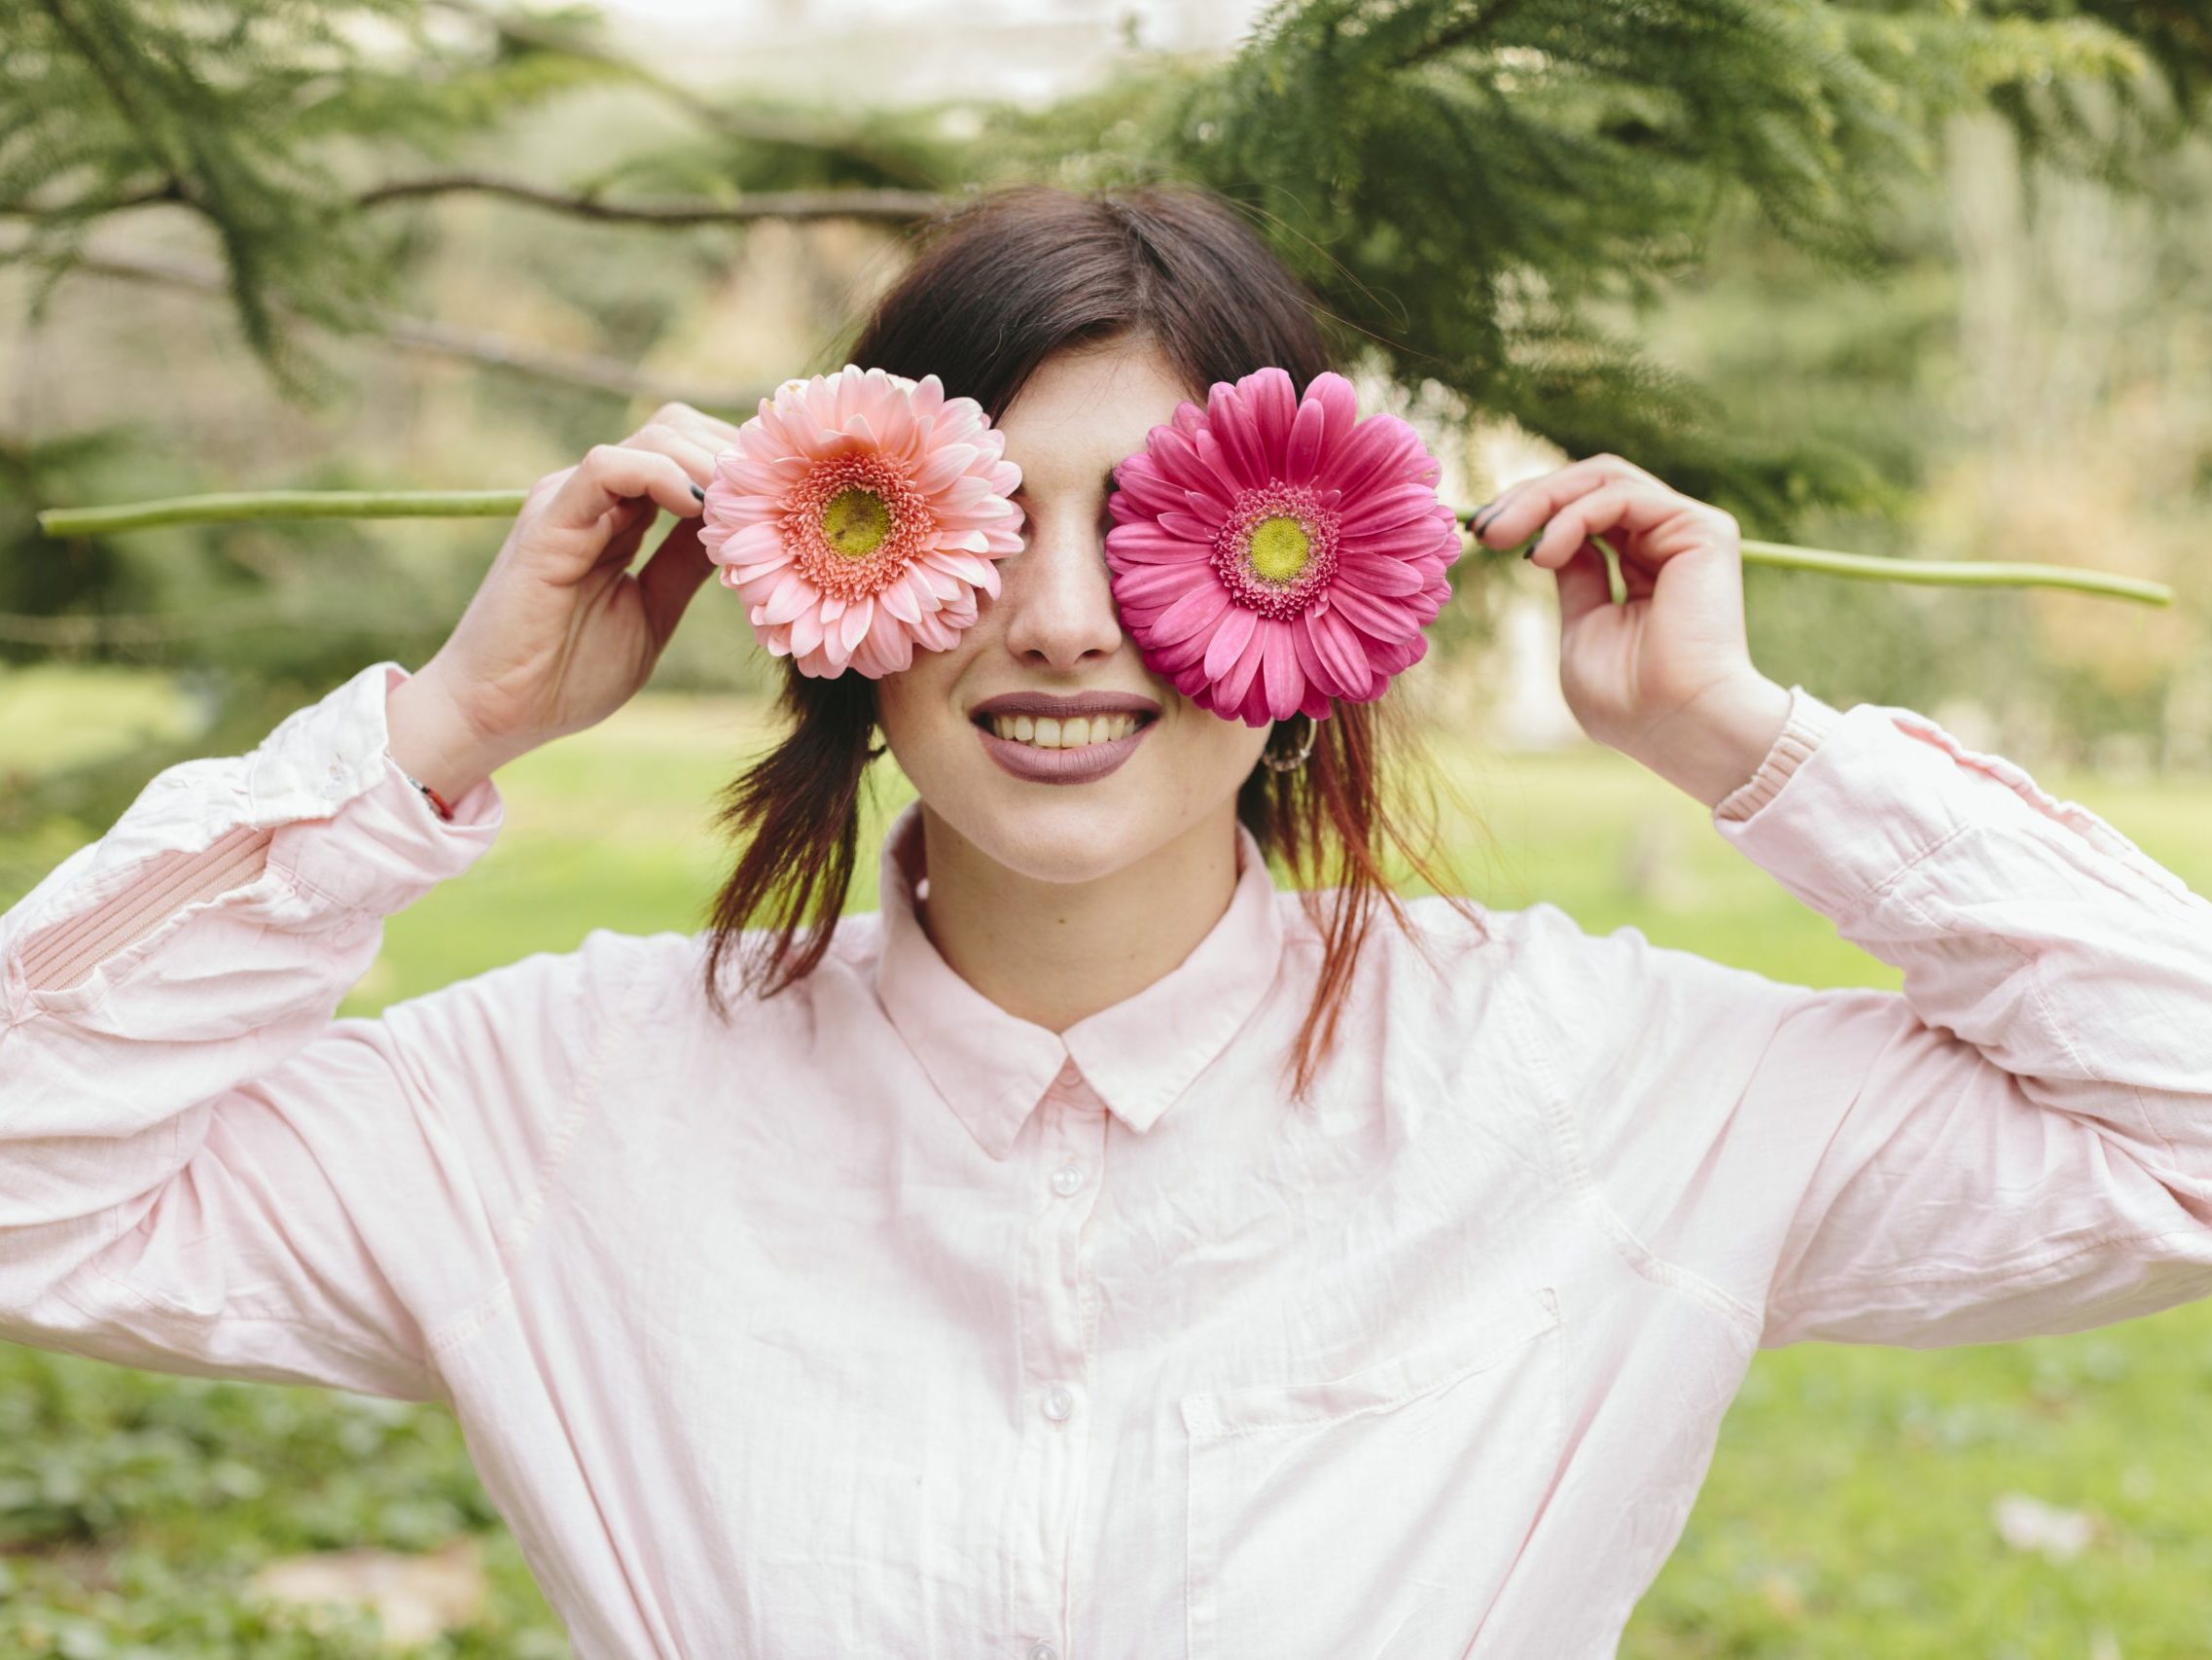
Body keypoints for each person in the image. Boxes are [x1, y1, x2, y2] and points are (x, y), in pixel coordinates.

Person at [3, 183, 2207, 1660]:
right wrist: (438, 731)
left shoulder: (1593, 1082)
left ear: (1326, 580)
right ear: (836, 580)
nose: (1064, 620)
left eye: (1158, 523)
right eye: (986, 528)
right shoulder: (557, 1106)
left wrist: (1748, 741)